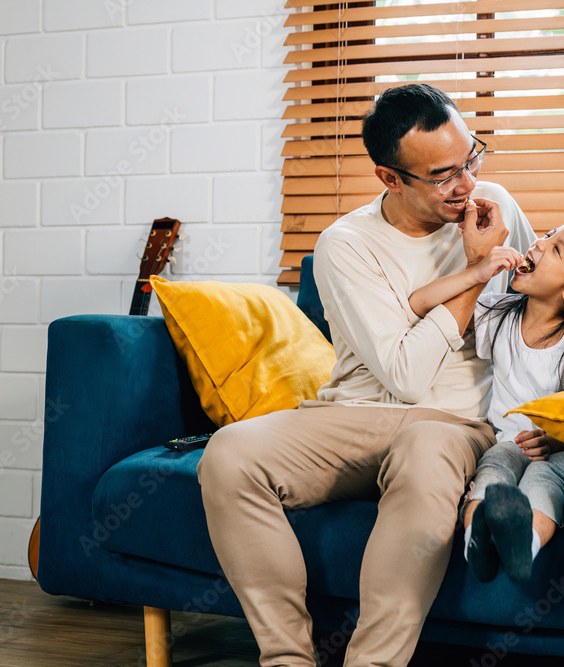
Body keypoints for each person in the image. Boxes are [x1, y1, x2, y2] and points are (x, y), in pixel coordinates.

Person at [197, 83, 536, 667]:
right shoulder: (346, 244)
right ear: (390, 177)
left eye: (471, 159)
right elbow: (404, 374)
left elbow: (544, 313)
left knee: (426, 447)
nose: (467, 185)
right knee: (229, 454)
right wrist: (479, 272)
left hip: (454, 422)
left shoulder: (496, 207)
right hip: (353, 419)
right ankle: (286, 658)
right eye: (442, 176)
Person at [408, 217, 564, 583]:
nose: (538, 243)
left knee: (545, 473)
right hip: (509, 441)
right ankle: (477, 542)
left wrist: (558, 438)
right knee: (495, 467)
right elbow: (419, 303)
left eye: (556, 248)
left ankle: (526, 547)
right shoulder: (498, 314)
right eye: (548, 235)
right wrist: (478, 272)